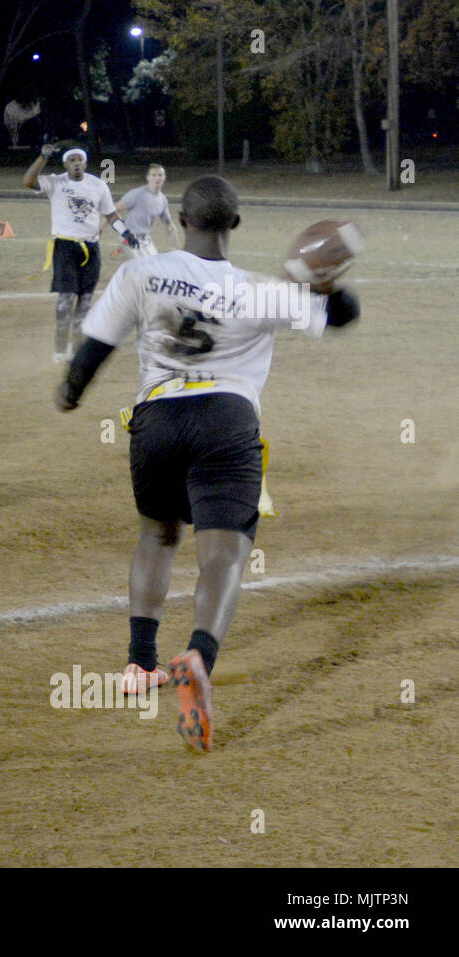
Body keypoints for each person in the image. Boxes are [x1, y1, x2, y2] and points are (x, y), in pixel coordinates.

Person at [54, 175, 360, 752]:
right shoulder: (260, 289)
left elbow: (94, 348)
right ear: (234, 225)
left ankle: (139, 665)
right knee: (223, 553)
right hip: (226, 420)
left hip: (158, 418)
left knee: (158, 534)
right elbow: (342, 316)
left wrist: (70, 392)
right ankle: (199, 654)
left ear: (183, 219)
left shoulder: (142, 272)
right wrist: (331, 283)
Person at [23, 145, 141, 363]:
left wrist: (126, 232)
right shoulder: (56, 182)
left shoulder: (98, 185)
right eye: (72, 160)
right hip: (65, 247)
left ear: (85, 163)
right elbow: (28, 181)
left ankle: (76, 348)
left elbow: (111, 214)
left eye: (80, 160)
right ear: (66, 164)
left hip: (91, 249)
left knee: (85, 302)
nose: (76, 163)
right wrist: (42, 158)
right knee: (65, 300)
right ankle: (60, 348)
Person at [116, 164, 182, 257]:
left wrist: (179, 250)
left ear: (164, 178)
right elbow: (113, 211)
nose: (157, 178)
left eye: (160, 175)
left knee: (153, 266)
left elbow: (170, 226)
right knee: (143, 265)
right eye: (154, 175)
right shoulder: (137, 194)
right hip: (129, 238)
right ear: (148, 178)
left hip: (145, 239)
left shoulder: (162, 200)